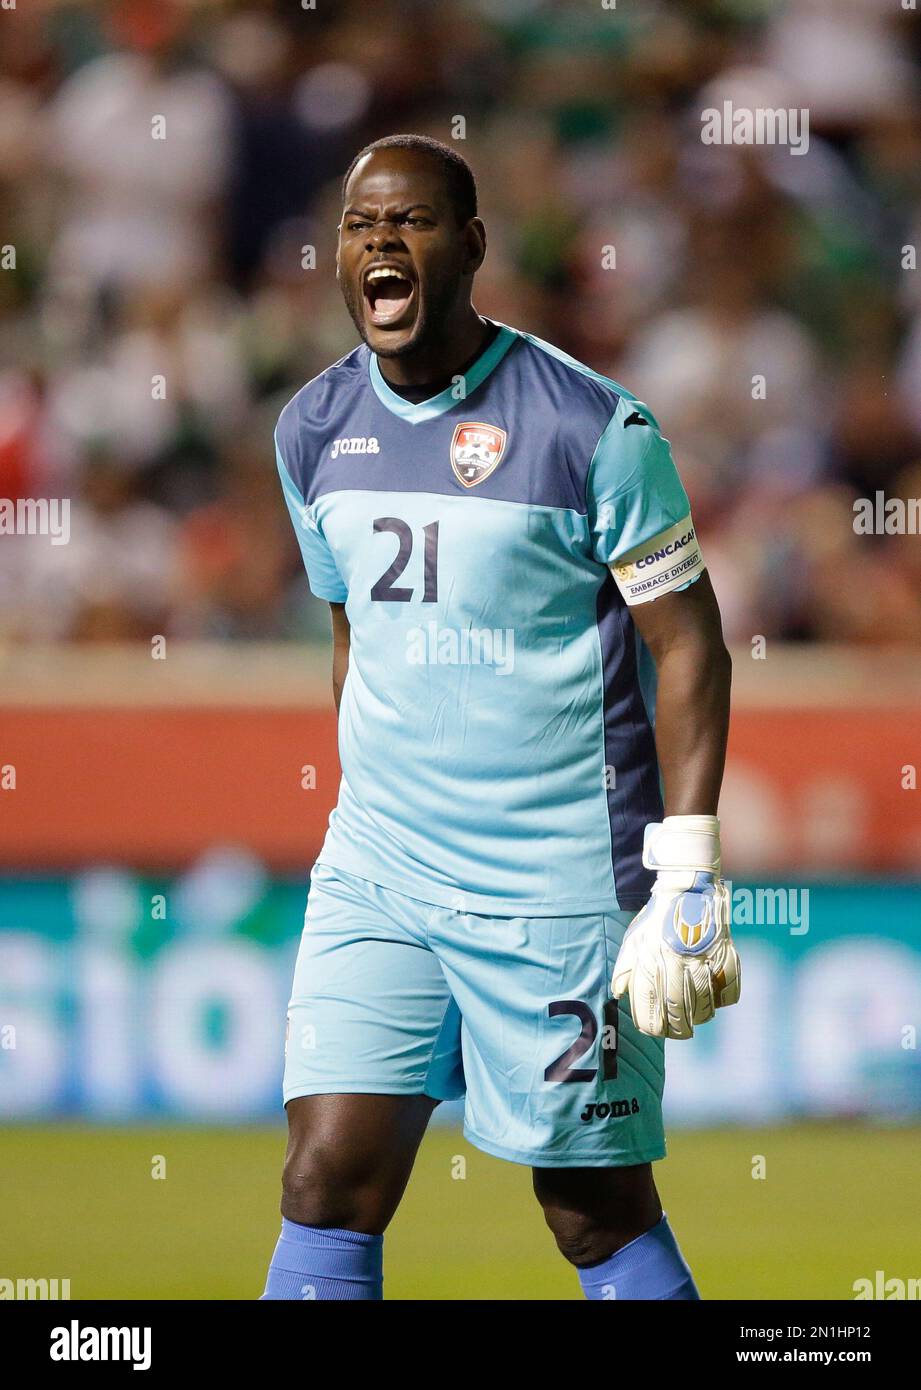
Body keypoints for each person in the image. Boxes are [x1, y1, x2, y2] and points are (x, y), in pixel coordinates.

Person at [262, 134, 739, 1301]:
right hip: (379, 869)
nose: (381, 241)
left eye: (412, 221)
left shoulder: (596, 429)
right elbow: (351, 639)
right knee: (327, 1179)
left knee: (590, 1210)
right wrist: (369, 807)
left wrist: (687, 870)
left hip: (555, 881)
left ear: (470, 246)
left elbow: (690, 646)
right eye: (361, 224)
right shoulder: (310, 431)